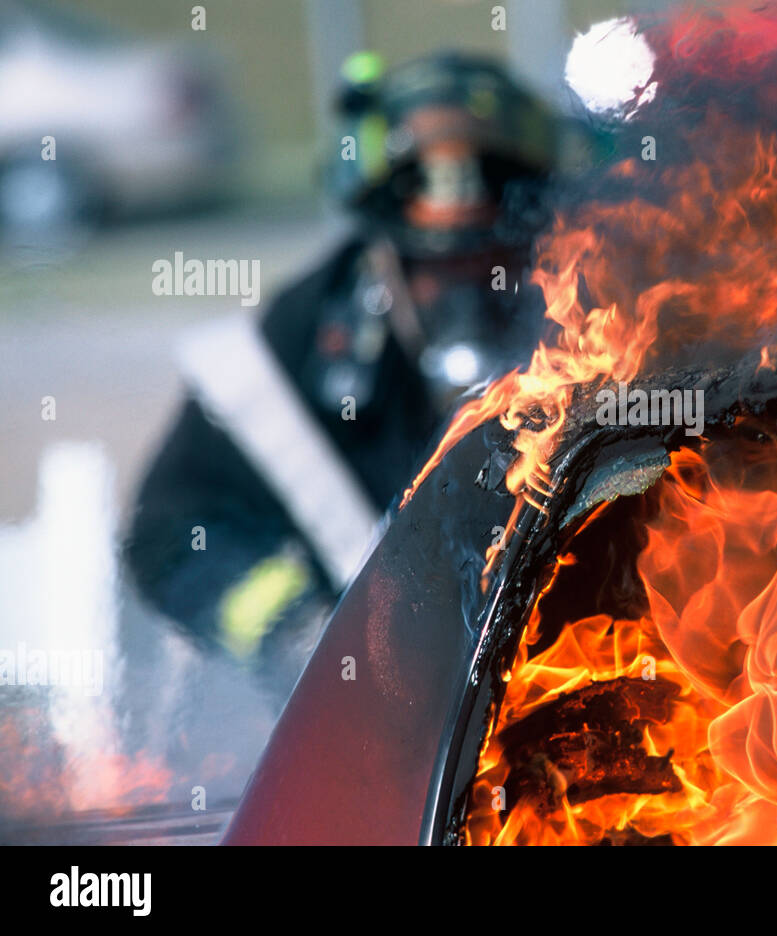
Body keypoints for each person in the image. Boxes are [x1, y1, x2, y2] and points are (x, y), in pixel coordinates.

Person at [125, 51, 569, 697]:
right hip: (361, 731)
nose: (471, 292)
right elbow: (170, 535)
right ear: (384, 252)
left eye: (494, 262)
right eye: (438, 269)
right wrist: (294, 629)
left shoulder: (608, 330)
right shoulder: (275, 367)